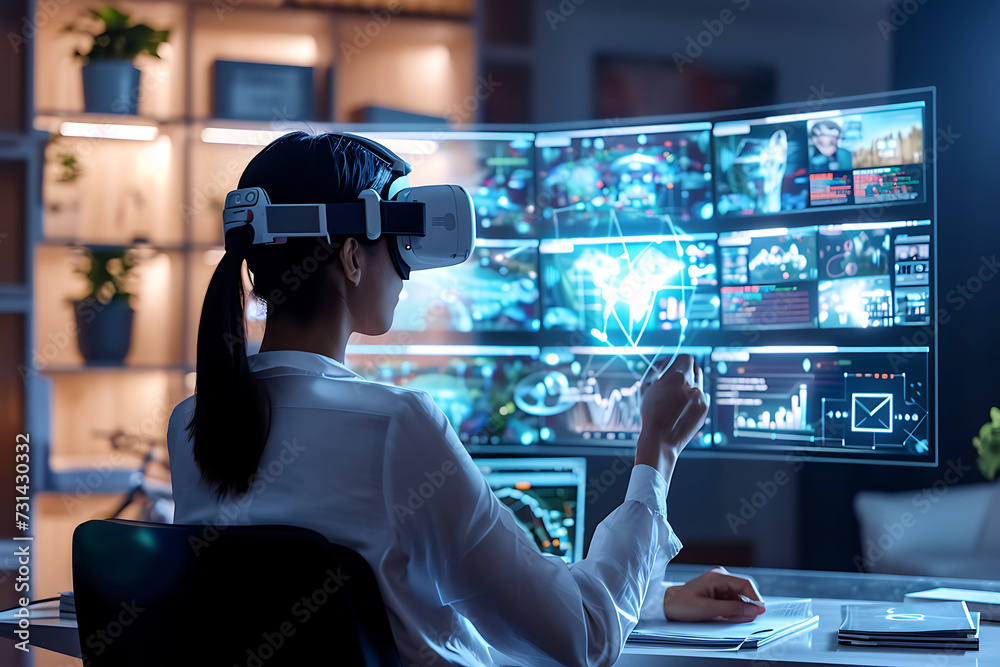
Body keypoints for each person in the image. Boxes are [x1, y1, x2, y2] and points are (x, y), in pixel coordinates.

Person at [167, 132, 766, 667]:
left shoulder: (195, 425)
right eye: (397, 243)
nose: (406, 271)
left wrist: (653, 599)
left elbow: (349, 602)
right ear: (352, 257)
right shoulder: (398, 426)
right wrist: (655, 454)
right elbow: (582, 639)